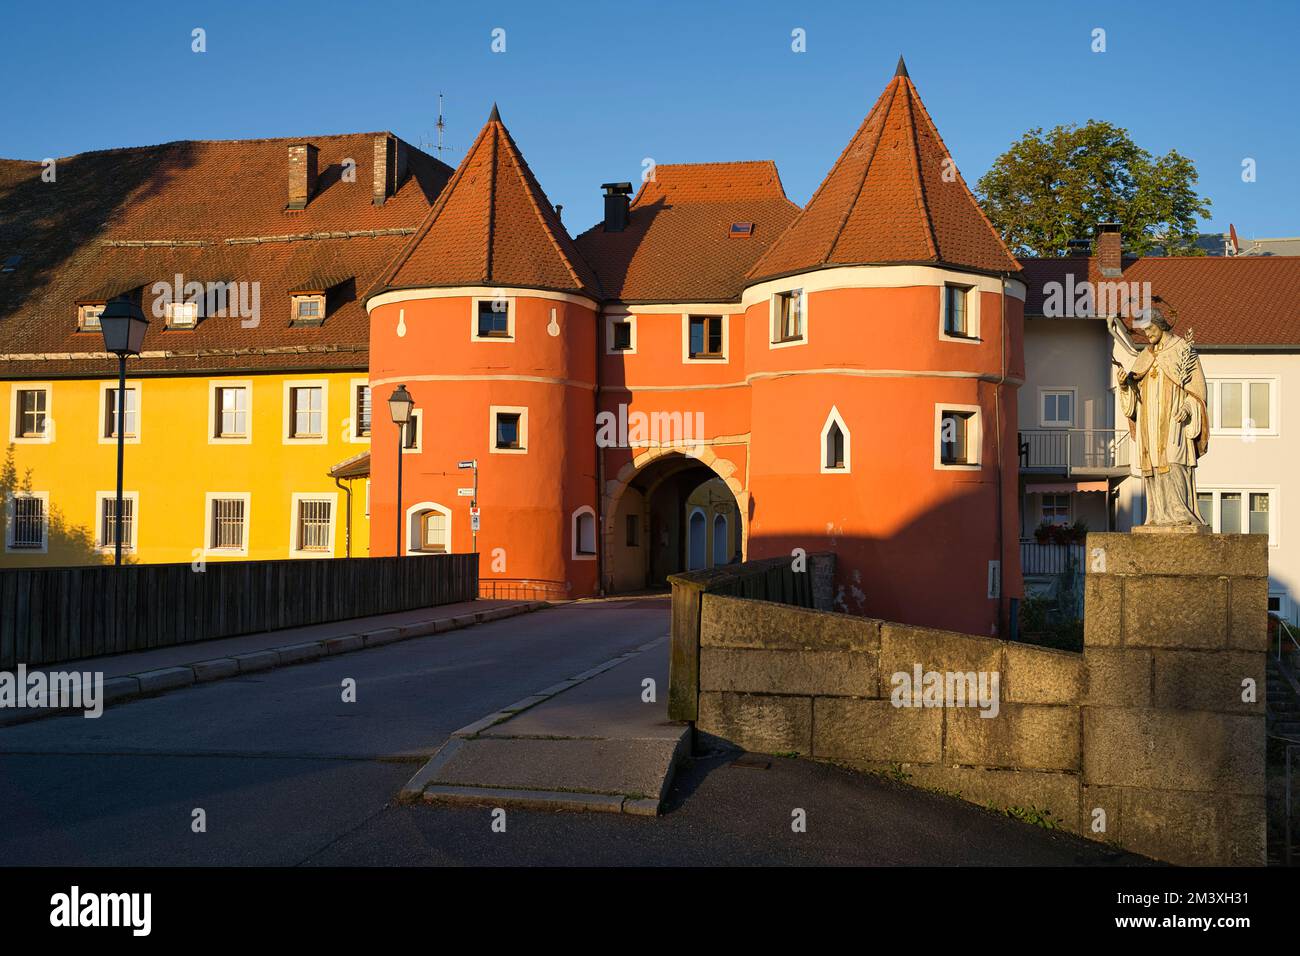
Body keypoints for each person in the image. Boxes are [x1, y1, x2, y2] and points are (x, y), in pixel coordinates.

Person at [1108, 306, 1209, 528]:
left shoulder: (1182, 349)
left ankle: (1181, 513)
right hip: (1149, 421)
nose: (1148, 334)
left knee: (1174, 462)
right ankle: (1158, 516)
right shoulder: (1145, 355)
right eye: (1144, 331)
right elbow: (1134, 395)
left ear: (1160, 324)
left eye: (1150, 328)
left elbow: (1198, 391)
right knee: (1152, 468)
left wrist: (1188, 407)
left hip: (1174, 419)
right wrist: (1126, 384)